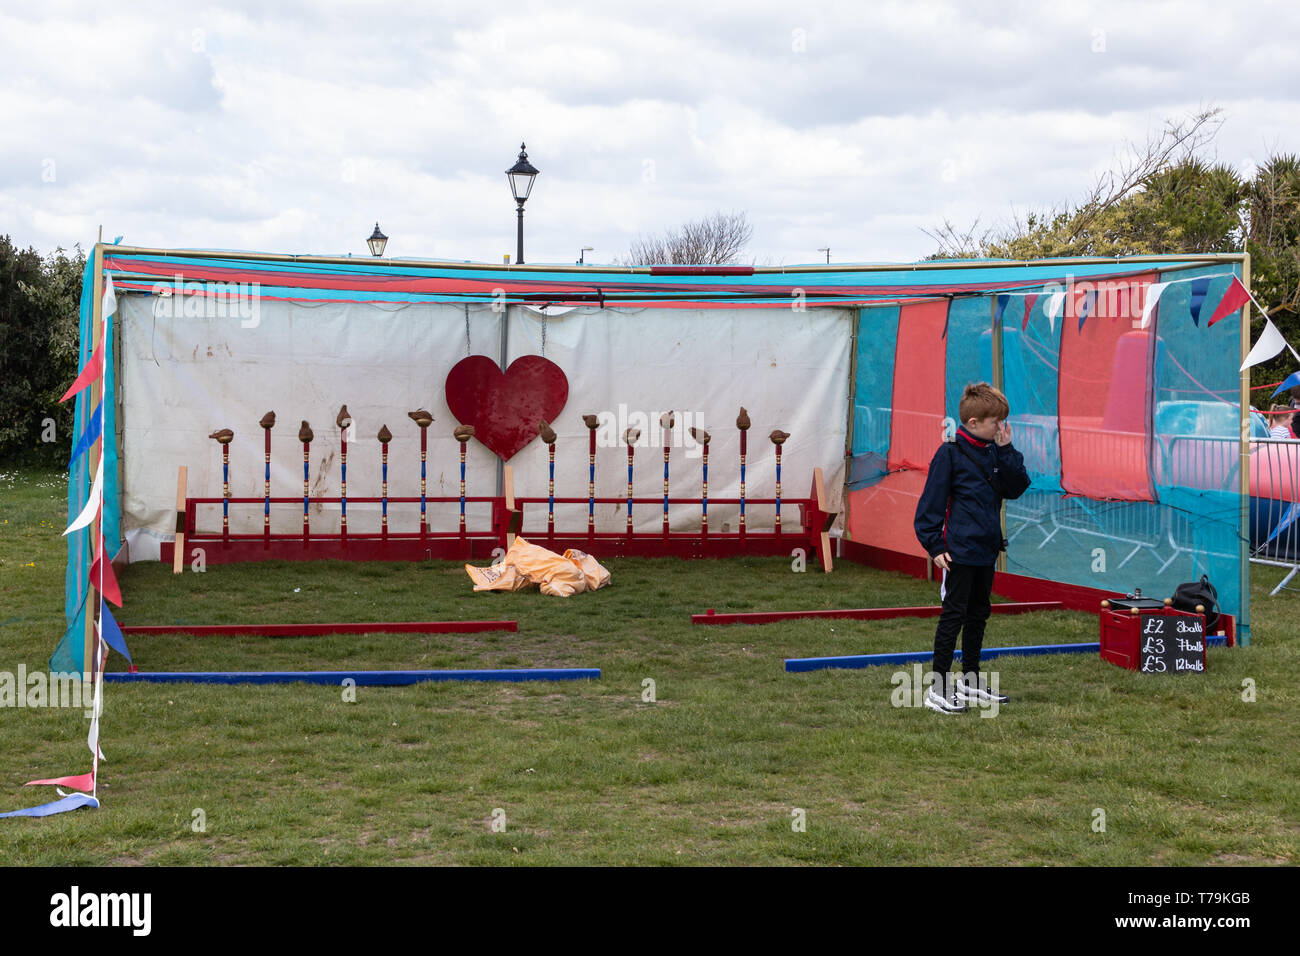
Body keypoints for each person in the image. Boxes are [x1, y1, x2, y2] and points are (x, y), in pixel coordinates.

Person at [913, 382, 1030, 714]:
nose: (1001, 427)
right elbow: (929, 506)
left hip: (986, 549)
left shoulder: (995, 450)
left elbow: (1016, 487)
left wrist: (1007, 449)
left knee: (979, 614)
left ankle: (970, 681)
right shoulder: (949, 453)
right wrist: (935, 545)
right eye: (996, 422)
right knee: (954, 616)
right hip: (957, 553)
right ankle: (938, 689)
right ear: (975, 422)